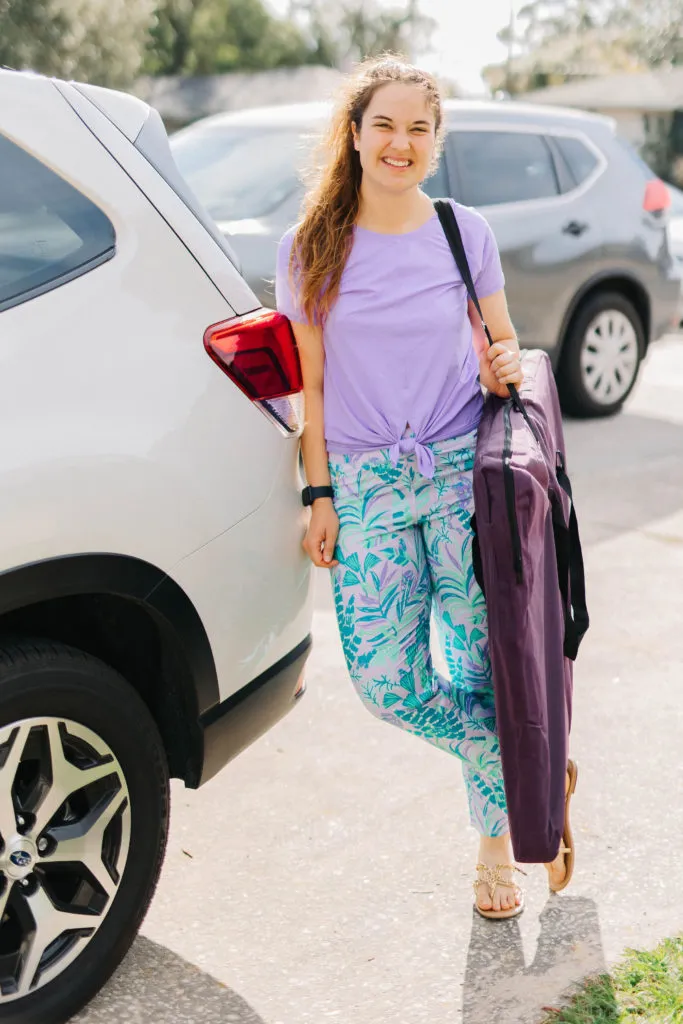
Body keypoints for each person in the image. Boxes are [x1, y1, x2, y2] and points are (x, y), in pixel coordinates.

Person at [276, 54, 574, 920]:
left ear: (433, 141)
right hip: (365, 485)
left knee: (485, 667)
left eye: (417, 128)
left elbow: (504, 343)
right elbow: (313, 389)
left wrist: (501, 364)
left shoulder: (461, 232)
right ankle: (524, 766)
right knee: (384, 683)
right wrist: (318, 495)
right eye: (384, 125)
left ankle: (494, 857)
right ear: (355, 135)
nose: (399, 142)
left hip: (457, 478)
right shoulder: (313, 245)